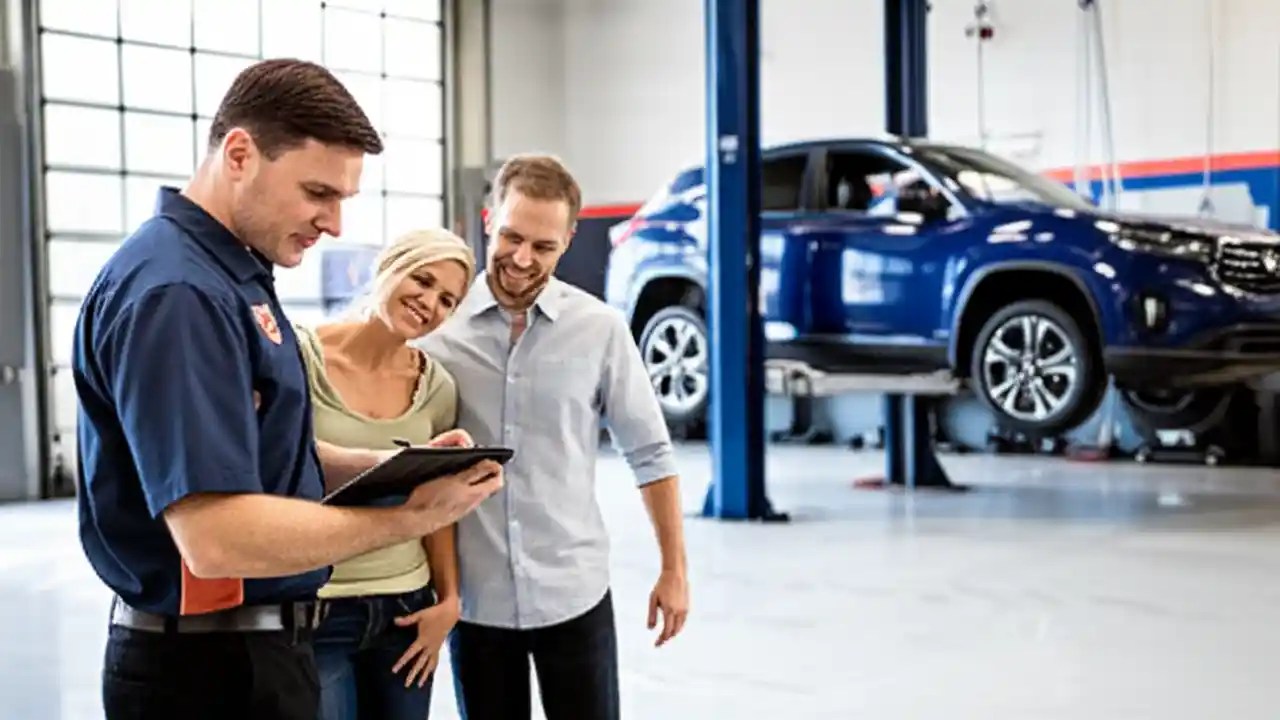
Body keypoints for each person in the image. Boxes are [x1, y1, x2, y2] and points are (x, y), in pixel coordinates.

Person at [72, 58, 503, 720]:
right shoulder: (179, 295)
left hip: (260, 654)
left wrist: (395, 468)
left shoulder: (233, 276)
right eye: (316, 192)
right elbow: (216, 537)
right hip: (207, 672)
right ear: (239, 154)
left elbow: (262, 453)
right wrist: (409, 520)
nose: (332, 222)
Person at [418, 153, 691, 720]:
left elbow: (650, 453)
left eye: (542, 246)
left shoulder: (601, 330)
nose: (521, 259)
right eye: (512, 236)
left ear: (568, 241)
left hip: (574, 592)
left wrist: (673, 570)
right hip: (476, 602)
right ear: (489, 219)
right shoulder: (438, 330)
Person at [295, 229, 475, 720]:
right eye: (422, 279)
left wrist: (449, 601)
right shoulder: (298, 357)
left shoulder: (436, 387)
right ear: (387, 268)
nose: (429, 303)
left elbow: (437, 507)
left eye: (447, 300)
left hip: (407, 611)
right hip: (319, 607)